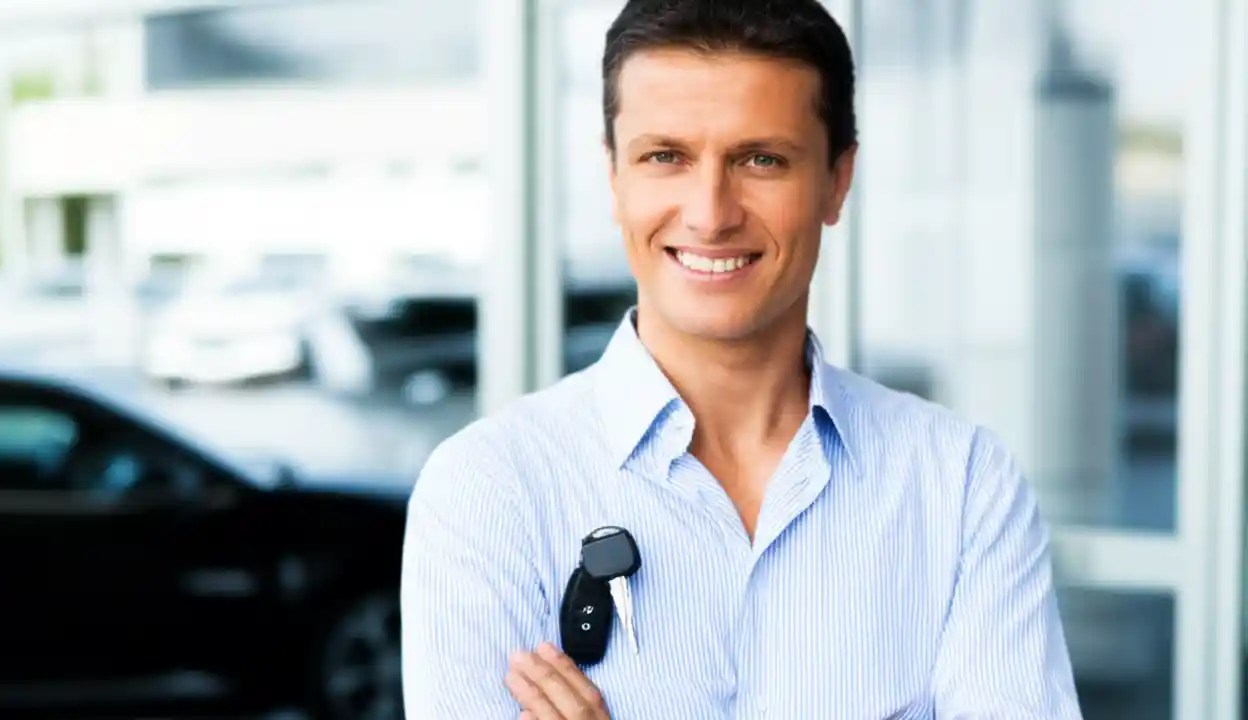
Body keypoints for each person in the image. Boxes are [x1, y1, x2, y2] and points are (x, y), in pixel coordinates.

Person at [401, 0, 1083, 717]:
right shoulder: (488, 491)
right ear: (614, 177)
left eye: (761, 159)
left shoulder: (962, 488)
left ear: (836, 180)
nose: (710, 212)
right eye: (665, 156)